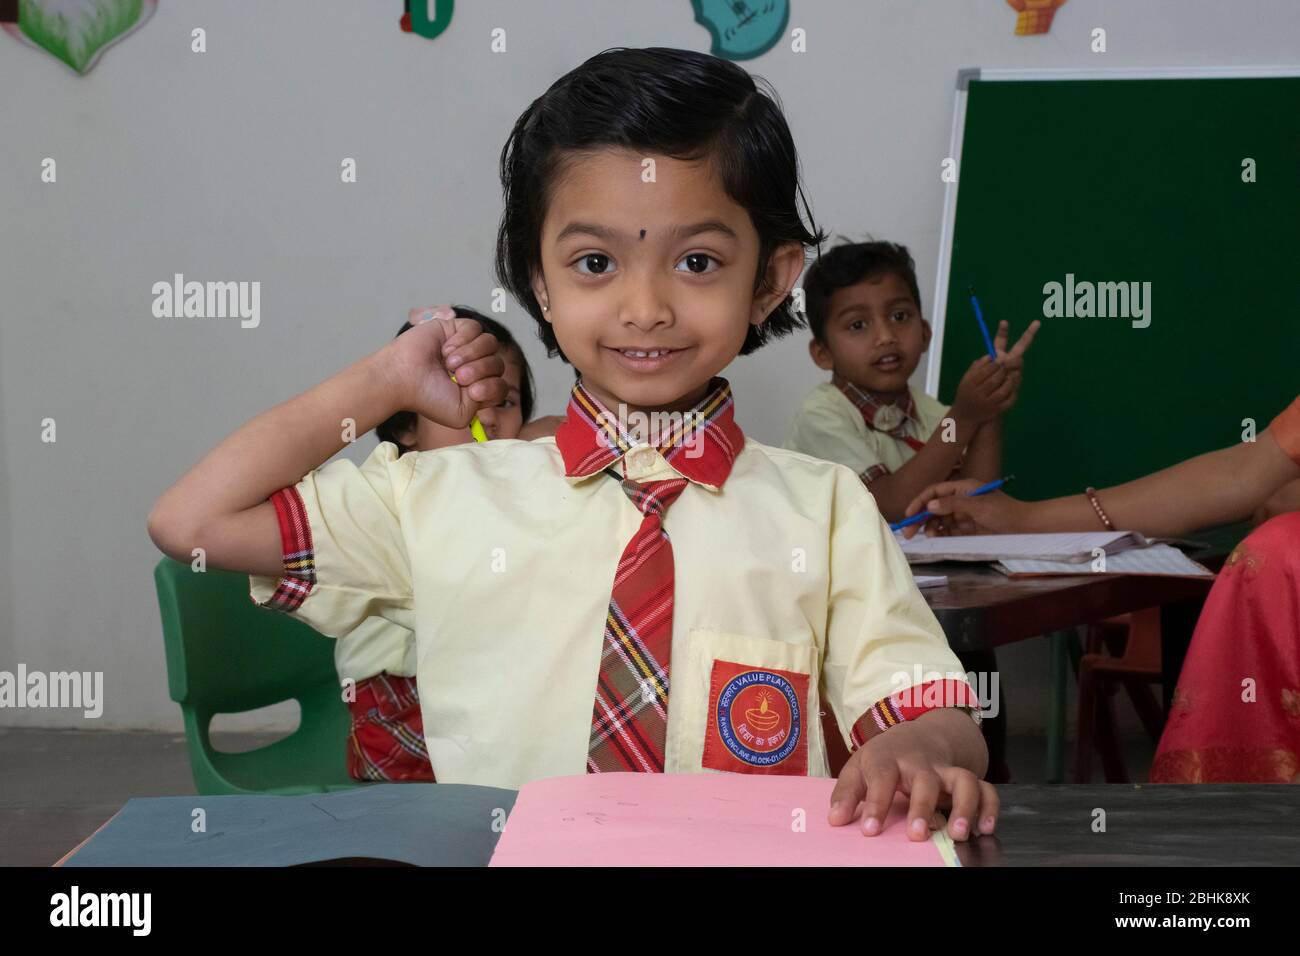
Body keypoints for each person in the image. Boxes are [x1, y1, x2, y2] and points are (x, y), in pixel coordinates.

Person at [149, 47, 998, 841]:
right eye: (595, 263)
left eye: (697, 262)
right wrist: (383, 383)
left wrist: (925, 747)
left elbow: (929, 704)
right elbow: (193, 520)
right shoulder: (439, 495)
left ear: (770, 281)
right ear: (537, 283)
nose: (645, 307)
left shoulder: (825, 510)